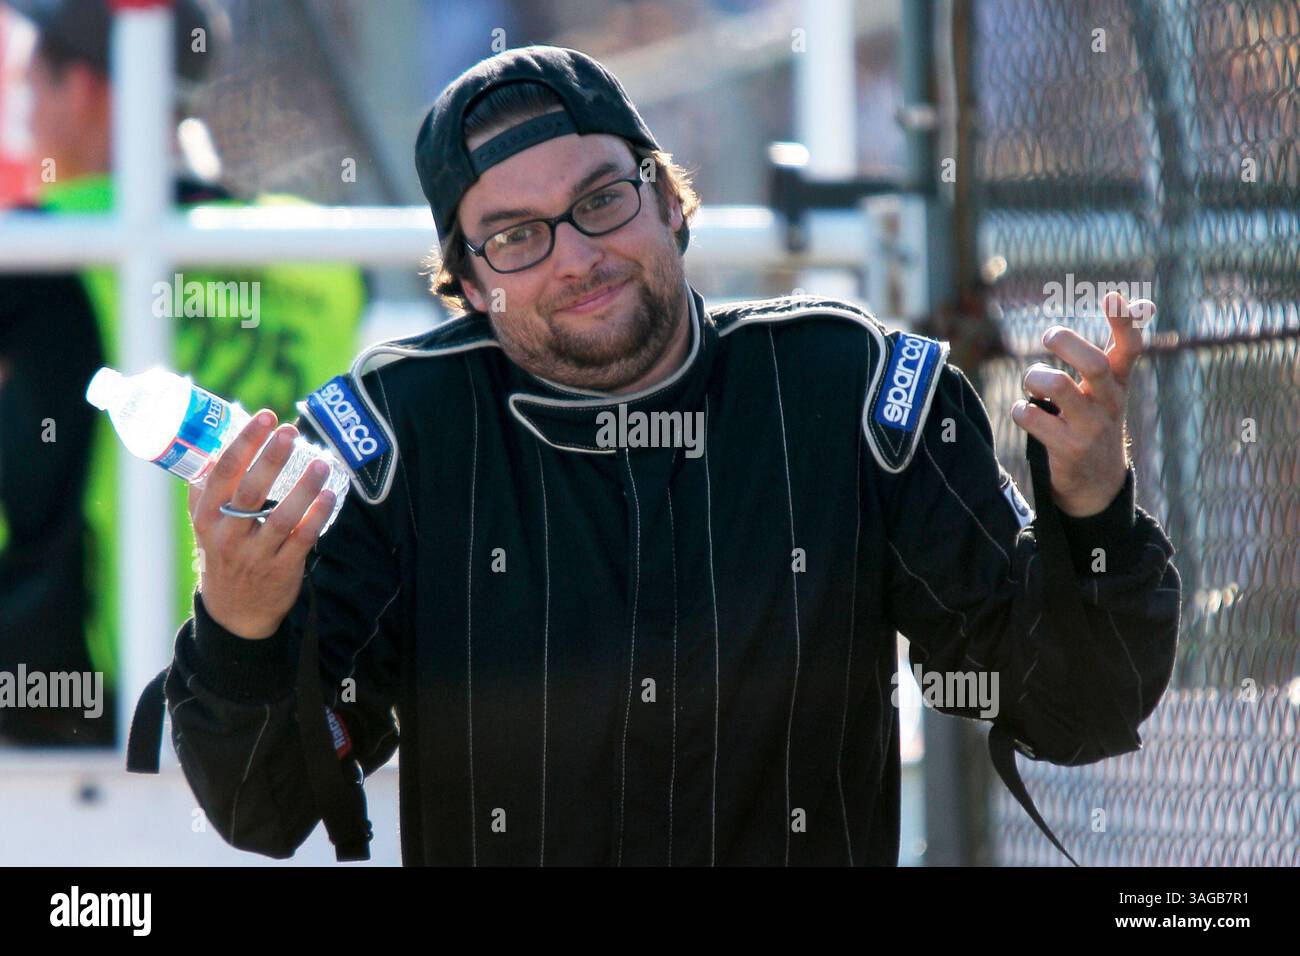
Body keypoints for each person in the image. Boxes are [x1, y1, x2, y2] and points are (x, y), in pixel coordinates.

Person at [146, 45, 1180, 865]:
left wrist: (1091, 512)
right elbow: (268, 808)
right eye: (513, 237)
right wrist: (239, 621)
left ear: (671, 202)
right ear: (464, 285)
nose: (576, 255)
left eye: (601, 200)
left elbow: (1070, 708)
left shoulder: (855, 392)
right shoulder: (396, 435)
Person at [0, 0, 367, 747]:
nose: (25, 111)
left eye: (33, 81)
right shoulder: (330, 253)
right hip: (276, 698)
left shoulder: (31, 253)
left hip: (83, 721)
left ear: (90, 87)